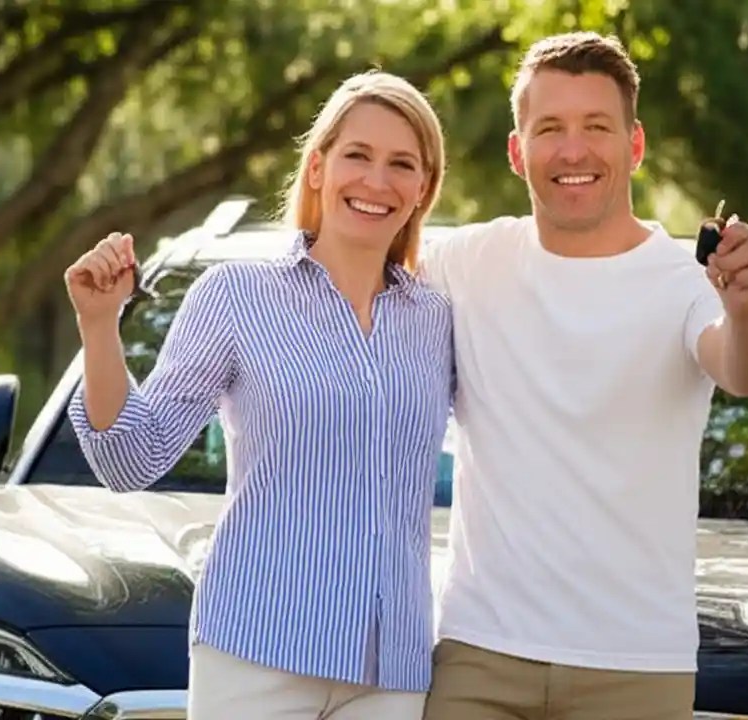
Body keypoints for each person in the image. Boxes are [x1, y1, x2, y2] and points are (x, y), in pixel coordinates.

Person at [418, 32, 748, 720]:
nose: (573, 151)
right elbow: (344, 300)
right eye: (550, 128)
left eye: (597, 126)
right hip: (480, 653)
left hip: (634, 667)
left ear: (634, 145)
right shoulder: (464, 264)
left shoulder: (685, 281)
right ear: (517, 150)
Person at [62, 70, 453, 720]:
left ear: (423, 187)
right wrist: (99, 327)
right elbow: (132, 459)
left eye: (401, 164)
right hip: (259, 650)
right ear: (320, 167)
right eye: (358, 155)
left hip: (393, 666)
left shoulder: (439, 318)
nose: (376, 181)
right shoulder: (235, 296)